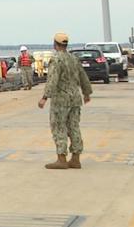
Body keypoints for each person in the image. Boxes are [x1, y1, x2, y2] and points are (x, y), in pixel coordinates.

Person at [38, 31, 92, 169]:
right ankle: (75, 158)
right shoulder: (73, 58)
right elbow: (83, 76)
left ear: (55, 44)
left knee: (59, 127)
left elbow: (53, 80)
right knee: (74, 127)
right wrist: (86, 93)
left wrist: (45, 97)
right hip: (75, 99)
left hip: (61, 100)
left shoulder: (56, 59)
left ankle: (61, 158)